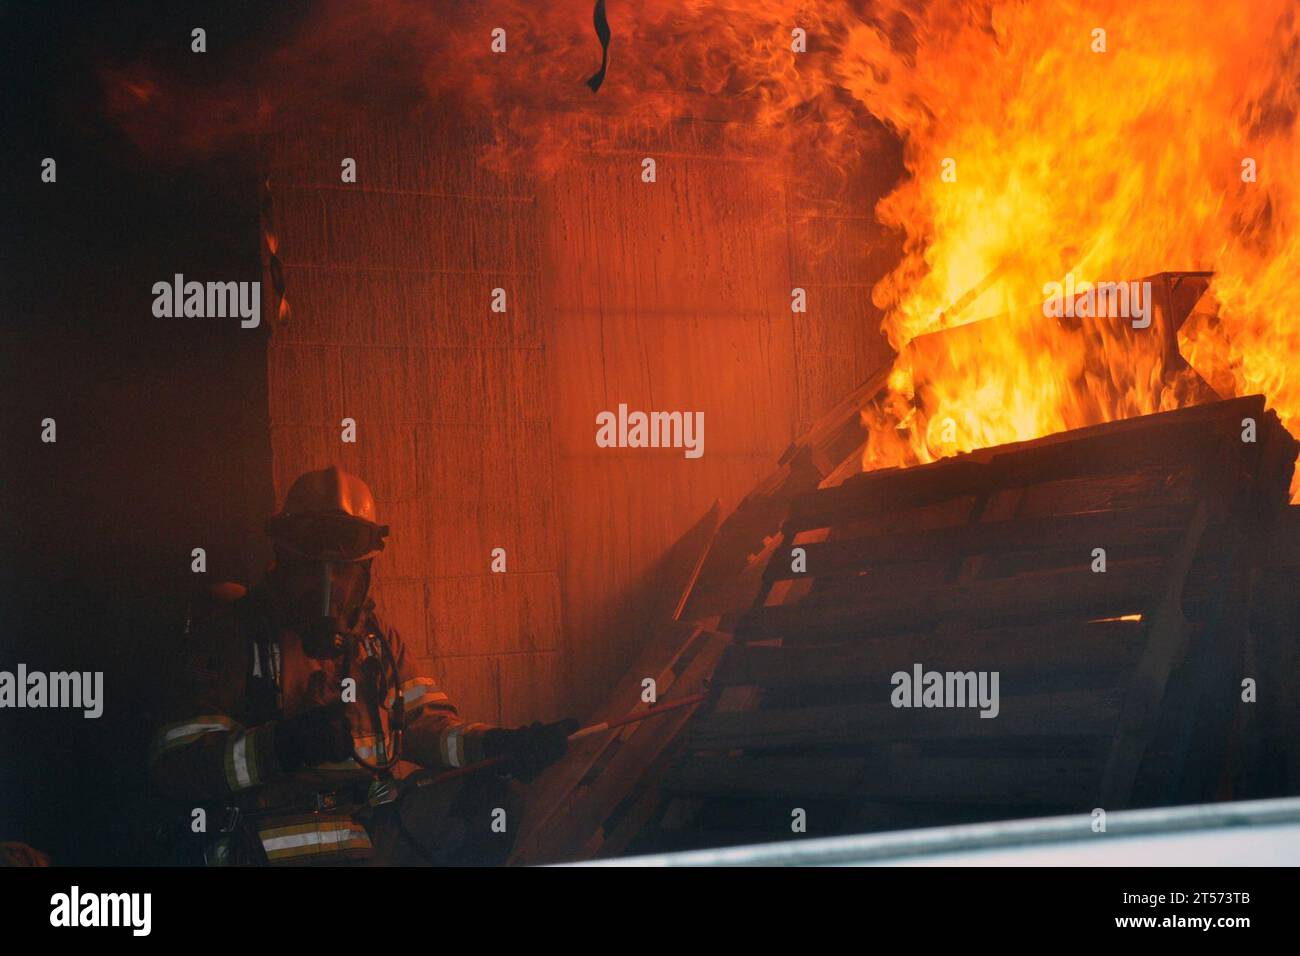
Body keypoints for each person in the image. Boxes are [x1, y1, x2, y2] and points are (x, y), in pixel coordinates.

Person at [149, 465, 576, 865]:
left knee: (490, 803)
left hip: (367, 836)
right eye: (312, 572)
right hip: (266, 844)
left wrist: (500, 745)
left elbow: (428, 726)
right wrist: (280, 747)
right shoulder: (235, 634)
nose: (328, 587)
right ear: (283, 560)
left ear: (365, 571)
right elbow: (176, 764)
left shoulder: (375, 643)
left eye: (343, 574)